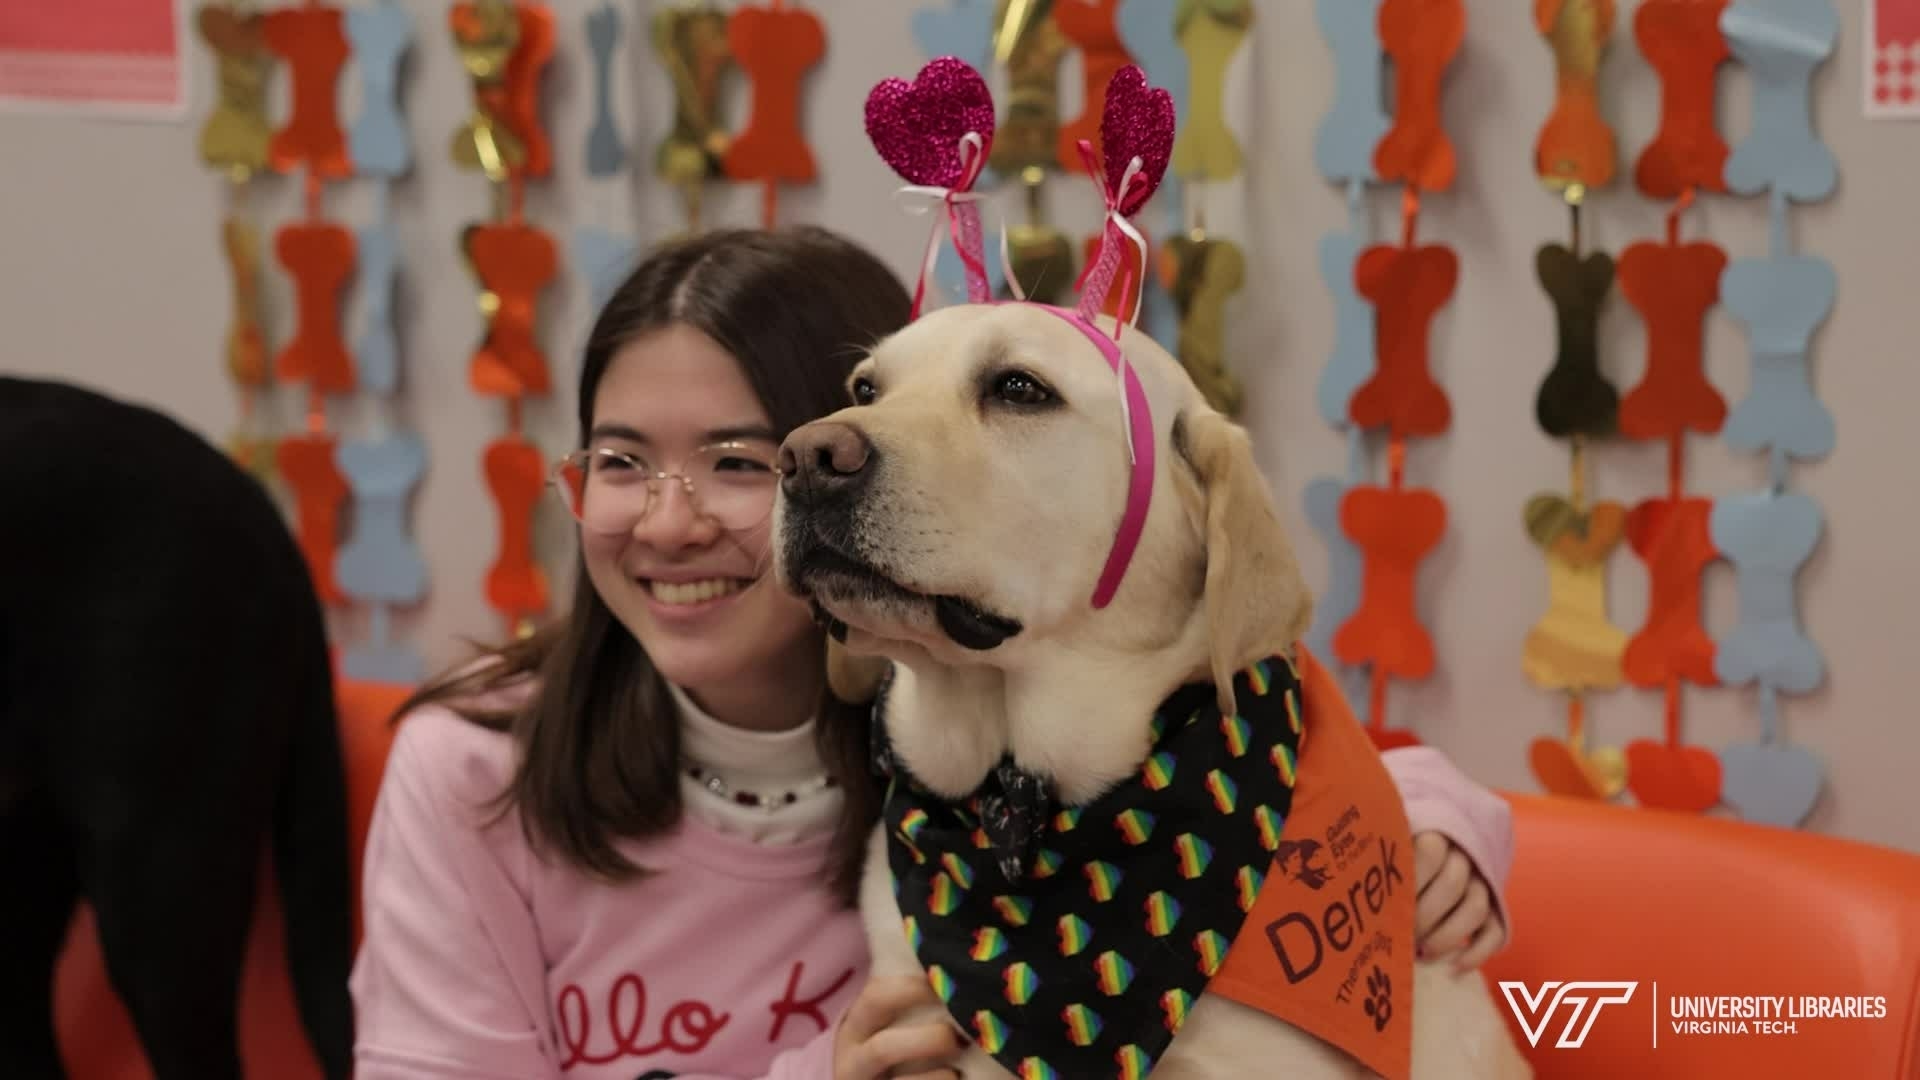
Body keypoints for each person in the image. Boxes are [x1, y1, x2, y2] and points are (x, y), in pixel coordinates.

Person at [347, 226, 1515, 1080]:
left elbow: (1244, 752)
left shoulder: (958, 728)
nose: (667, 520)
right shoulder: (471, 775)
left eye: (745, 460)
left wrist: (1444, 818)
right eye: (618, 461)